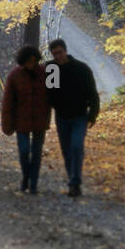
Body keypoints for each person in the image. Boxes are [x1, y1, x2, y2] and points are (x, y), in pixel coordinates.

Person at [45, 38, 99, 198]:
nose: (58, 56)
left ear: (66, 51)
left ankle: (75, 182)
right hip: (62, 116)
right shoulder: (51, 69)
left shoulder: (81, 69)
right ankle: (73, 180)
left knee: (76, 147)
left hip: (80, 115)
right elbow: (50, 93)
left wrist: (93, 114)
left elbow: (93, 93)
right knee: (67, 151)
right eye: (55, 54)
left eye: (60, 52)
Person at [0, 45, 50, 194]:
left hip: (40, 120)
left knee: (36, 153)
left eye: (34, 61)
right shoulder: (14, 76)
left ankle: (33, 183)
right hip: (21, 121)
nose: (31, 64)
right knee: (23, 151)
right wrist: (7, 124)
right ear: (23, 61)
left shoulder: (45, 73)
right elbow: (7, 102)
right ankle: (26, 177)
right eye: (28, 61)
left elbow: (55, 94)